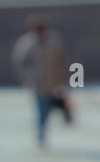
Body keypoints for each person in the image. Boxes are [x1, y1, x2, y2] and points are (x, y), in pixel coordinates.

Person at [12, 14, 71, 149]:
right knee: (42, 111)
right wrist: (27, 78)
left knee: (58, 106)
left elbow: (63, 60)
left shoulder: (54, 41)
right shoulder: (26, 45)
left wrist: (67, 79)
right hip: (38, 85)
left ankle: (64, 119)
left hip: (55, 83)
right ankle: (41, 135)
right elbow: (20, 63)